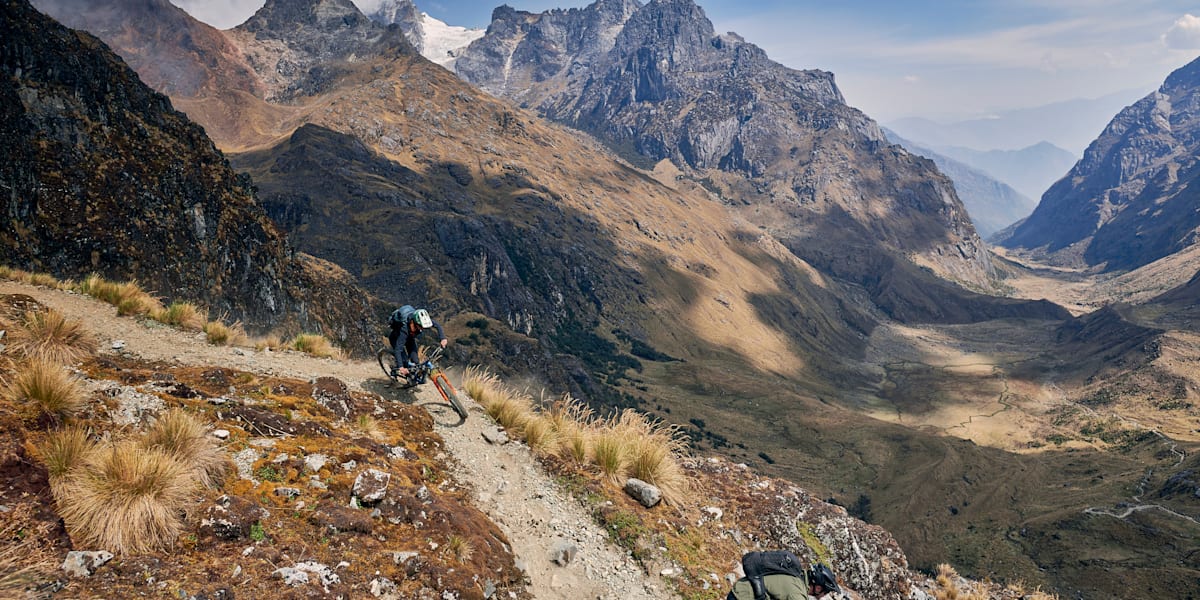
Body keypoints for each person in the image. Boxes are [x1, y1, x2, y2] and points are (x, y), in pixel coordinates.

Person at [388, 305, 448, 378]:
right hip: (396, 338)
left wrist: (443, 338)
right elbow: (398, 349)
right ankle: (395, 370)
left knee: (416, 362)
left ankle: (411, 378)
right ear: (415, 323)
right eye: (421, 326)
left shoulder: (422, 321)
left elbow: (437, 325)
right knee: (404, 361)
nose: (422, 329)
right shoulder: (405, 329)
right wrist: (401, 367)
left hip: (409, 338)